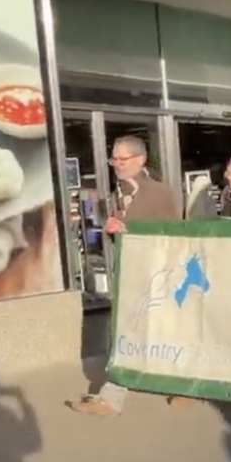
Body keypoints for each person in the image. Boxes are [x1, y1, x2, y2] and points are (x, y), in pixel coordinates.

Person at [67, 135, 189, 417]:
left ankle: (182, 387)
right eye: (114, 159)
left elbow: (173, 236)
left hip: (159, 275)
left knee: (166, 332)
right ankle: (111, 399)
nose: (117, 164)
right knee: (125, 335)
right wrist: (113, 230)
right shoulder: (117, 193)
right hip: (130, 276)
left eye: (123, 159)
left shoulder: (160, 192)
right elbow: (121, 236)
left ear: (141, 160)